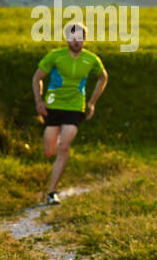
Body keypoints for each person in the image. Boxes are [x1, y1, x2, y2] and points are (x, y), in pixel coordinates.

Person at [31, 21, 107, 204]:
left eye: (80, 38)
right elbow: (37, 78)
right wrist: (39, 100)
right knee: (49, 151)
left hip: (75, 107)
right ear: (67, 38)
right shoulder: (55, 56)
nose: (76, 41)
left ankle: (51, 192)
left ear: (84, 40)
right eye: (72, 38)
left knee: (64, 147)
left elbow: (103, 77)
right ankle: (54, 144)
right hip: (53, 106)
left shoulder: (91, 59)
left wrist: (92, 102)